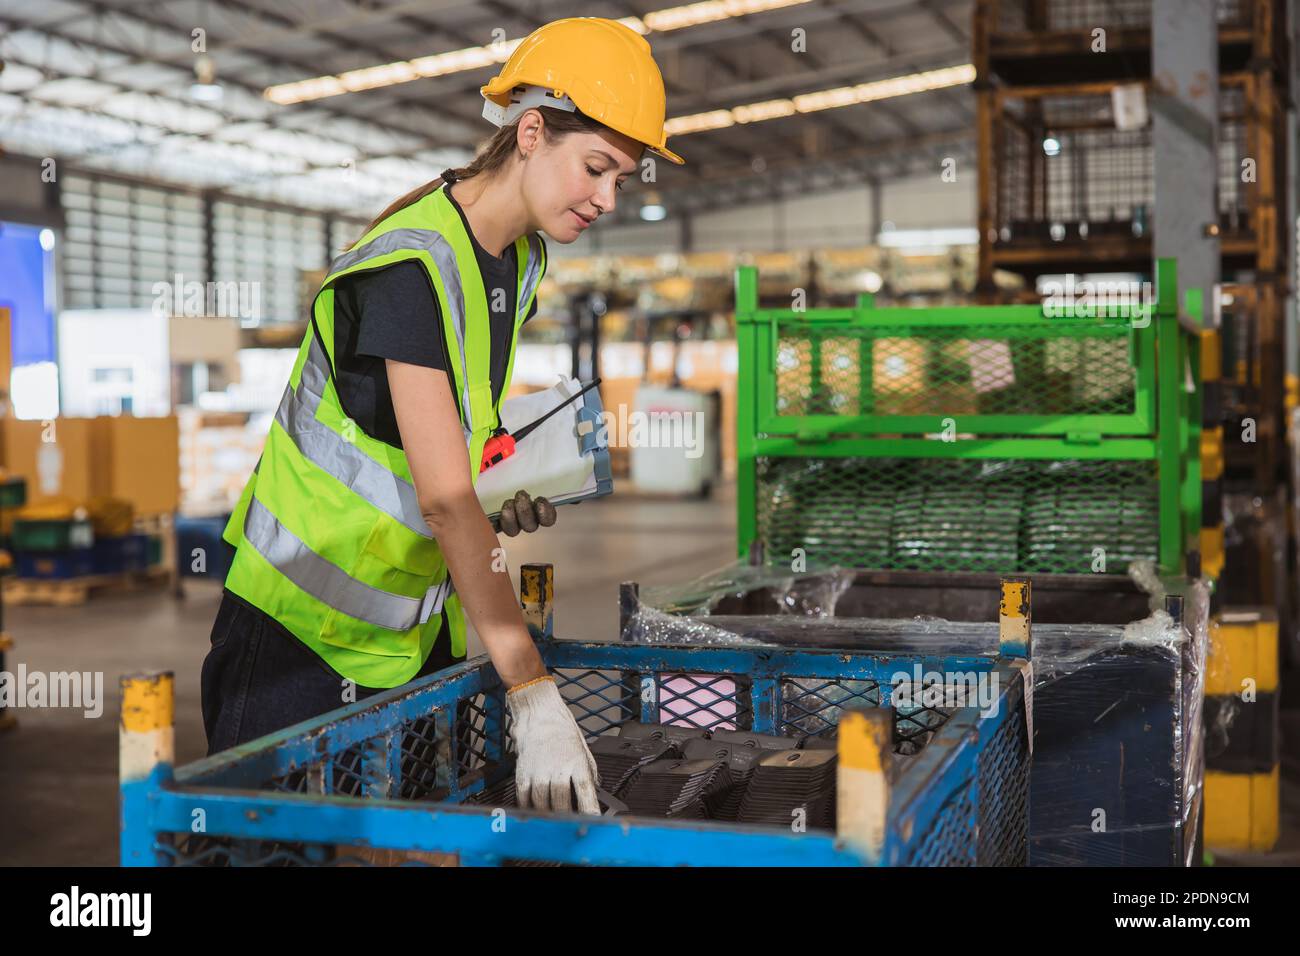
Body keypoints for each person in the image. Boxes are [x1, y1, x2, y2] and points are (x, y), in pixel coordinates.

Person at [200, 17, 684, 814]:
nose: (606, 198)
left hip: (413, 635)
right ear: (532, 131)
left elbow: (448, 444)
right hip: (297, 632)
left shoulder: (518, 262)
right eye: (596, 168)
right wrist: (531, 690)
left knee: (417, 840)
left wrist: (503, 480)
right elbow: (441, 499)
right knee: (265, 847)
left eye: (622, 180)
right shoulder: (412, 267)